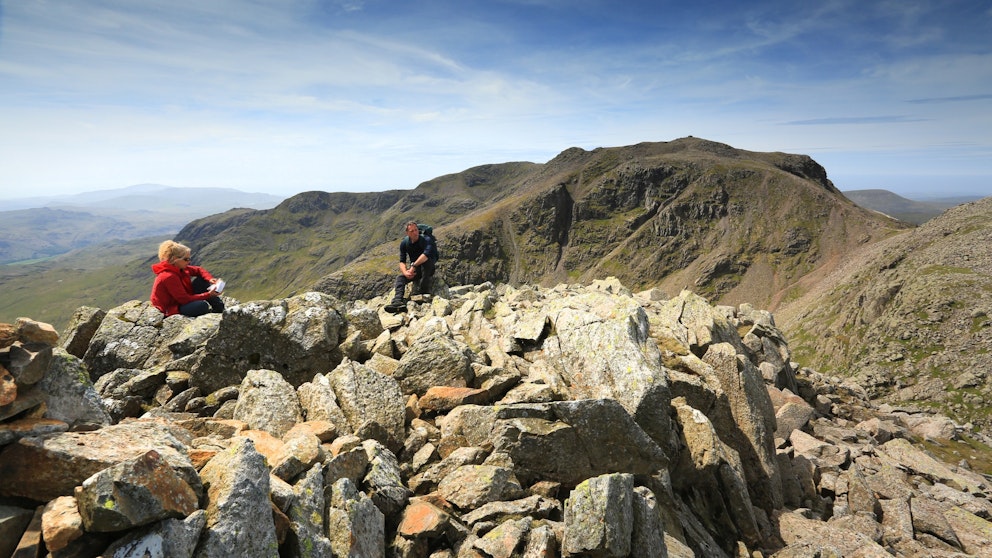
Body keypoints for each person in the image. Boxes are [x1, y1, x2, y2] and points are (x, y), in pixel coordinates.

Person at [150, 240, 225, 317]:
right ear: (175, 259)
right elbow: (184, 299)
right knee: (202, 306)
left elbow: (198, 270)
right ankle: (217, 311)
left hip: (180, 301)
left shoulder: (180, 268)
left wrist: (209, 279)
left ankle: (219, 309)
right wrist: (208, 295)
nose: (189, 262)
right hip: (171, 308)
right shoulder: (168, 276)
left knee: (201, 281)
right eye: (186, 259)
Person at [386, 221, 437, 312]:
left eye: (416, 230)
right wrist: (405, 272)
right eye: (412, 231)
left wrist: (413, 266)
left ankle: (423, 292)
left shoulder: (426, 240)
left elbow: (426, 255)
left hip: (428, 268)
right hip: (416, 270)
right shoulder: (405, 243)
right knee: (400, 278)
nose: (415, 233)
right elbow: (402, 261)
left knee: (427, 263)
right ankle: (397, 301)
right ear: (407, 233)